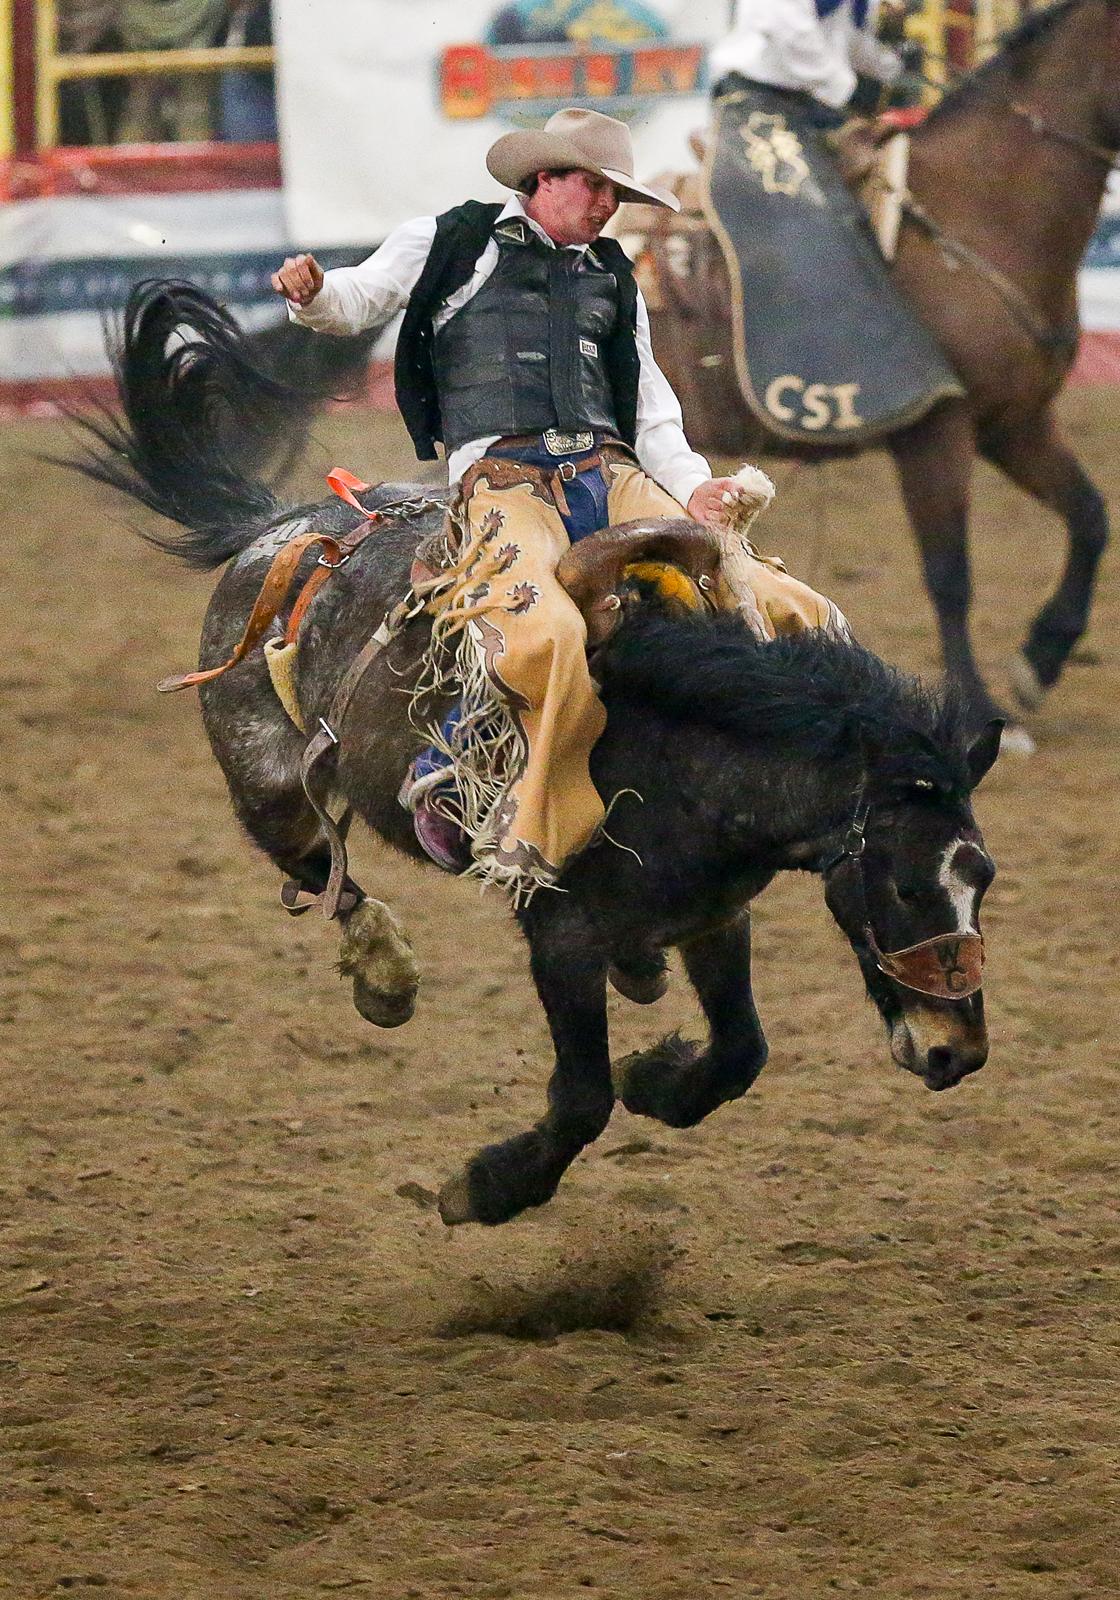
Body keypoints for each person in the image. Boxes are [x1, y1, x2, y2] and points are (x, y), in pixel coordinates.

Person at [271, 108, 843, 899]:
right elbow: (359, 299)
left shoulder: (611, 274)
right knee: (540, 634)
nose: (608, 206)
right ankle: (475, 769)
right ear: (545, 180)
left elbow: (650, 412)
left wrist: (694, 487)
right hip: (500, 480)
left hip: (611, 473)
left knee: (780, 599)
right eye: (597, 187)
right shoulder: (451, 239)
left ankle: (810, 774)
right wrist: (313, 294)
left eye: (616, 192)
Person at [709, 0, 903, 127]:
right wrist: (847, 85)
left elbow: (847, 38)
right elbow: (788, 29)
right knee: (792, 184)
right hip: (756, 90)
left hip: (810, 99)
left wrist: (895, 70)